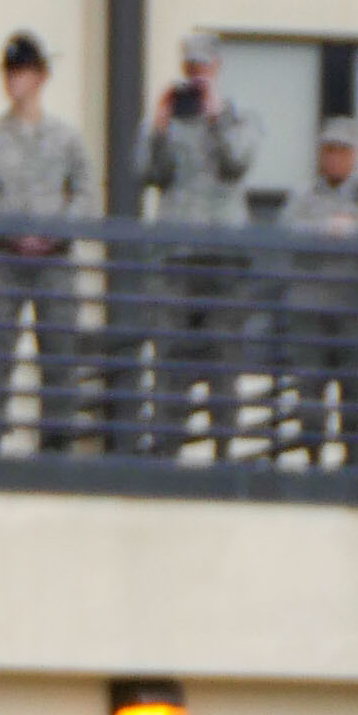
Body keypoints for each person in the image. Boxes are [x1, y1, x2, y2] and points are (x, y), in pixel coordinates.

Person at [0, 30, 90, 453]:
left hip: (56, 259)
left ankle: (57, 443)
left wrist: (56, 232)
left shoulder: (67, 138)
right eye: (9, 71)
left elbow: (87, 194)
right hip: (4, 257)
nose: (14, 79)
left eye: (23, 71)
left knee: (59, 349)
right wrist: (8, 230)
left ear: (41, 77)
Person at [138, 26, 258, 457]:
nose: (196, 75)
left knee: (223, 363)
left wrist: (215, 114)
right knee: (170, 363)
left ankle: (224, 454)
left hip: (225, 260)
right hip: (176, 258)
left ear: (218, 66)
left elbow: (237, 160)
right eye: (190, 67)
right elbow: (146, 173)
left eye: (203, 66)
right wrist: (158, 127)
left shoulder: (240, 116)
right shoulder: (171, 114)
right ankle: (167, 453)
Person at [279, 117, 358, 466]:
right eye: (329, 150)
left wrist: (348, 230)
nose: (334, 157)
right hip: (309, 309)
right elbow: (288, 231)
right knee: (309, 392)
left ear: (356, 155)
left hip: (351, 309)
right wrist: (328, 229)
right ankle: (314, 459)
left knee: (353, 392)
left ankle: (354, 463)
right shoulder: (303, 195)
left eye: (342, 150)